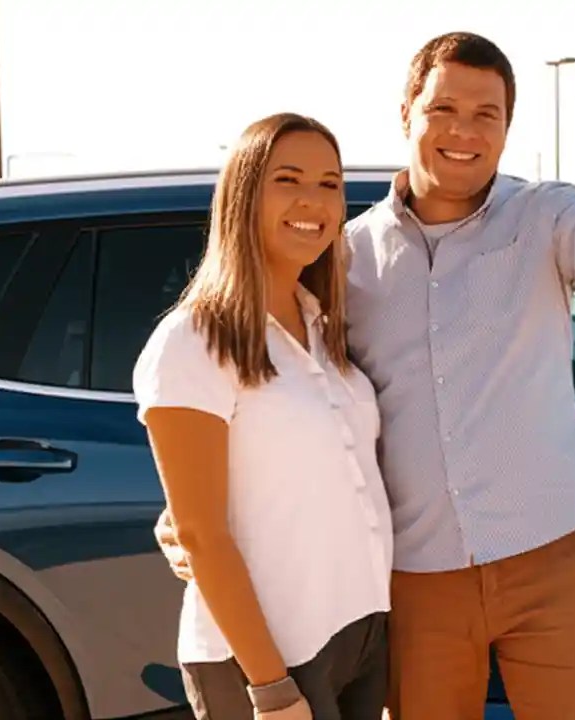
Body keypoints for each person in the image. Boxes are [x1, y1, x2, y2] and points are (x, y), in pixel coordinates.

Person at [157, 31, 575, 720]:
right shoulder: (344, 261)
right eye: (444, 108)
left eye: (486, 114)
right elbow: (278, 384)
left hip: (551, 557)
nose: (464, 130)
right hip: (415, 579)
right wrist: (192, 516)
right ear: (407, 114)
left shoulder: (542, 217)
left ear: (507, 129)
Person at [133, 112, 392, 720]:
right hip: (264, 659)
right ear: (244, 195)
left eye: (330, 184)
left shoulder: (324, 328)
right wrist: (271, 689)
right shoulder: (193, 341)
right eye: (289, 180)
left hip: (357, 635)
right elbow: (200, 534)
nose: (314, 201)